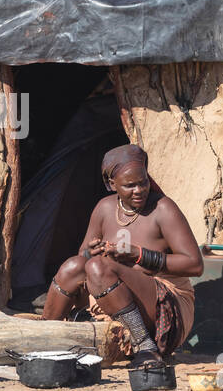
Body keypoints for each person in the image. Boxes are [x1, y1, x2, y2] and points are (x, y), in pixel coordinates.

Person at [38, 144, 204, 368]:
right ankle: (43, 337)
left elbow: (194, 265)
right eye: (129, 186)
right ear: (111, 185)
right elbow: (83, 257)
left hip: (166, 306)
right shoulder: (104, 209)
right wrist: (91, 252)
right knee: (73, 266)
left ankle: (145, 347)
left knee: (99, 268)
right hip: (114, 297)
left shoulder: (163, 209)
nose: (139, 190)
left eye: (143, 182)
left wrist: (139, 256)